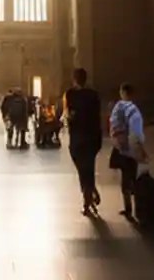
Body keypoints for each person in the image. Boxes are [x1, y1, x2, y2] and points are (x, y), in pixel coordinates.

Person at [64, 68, 103, 216]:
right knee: (88, 168)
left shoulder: (70, 94)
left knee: (82, 169)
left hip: (77, 138)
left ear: (74, 79)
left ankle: (88, 199)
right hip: (92, 137)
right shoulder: (93, 95)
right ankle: (90, 189)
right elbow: (97, 117)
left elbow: (70, 114)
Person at [109, 83, 146, 221]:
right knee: (132, 177)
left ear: (123, 93)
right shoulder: (134, 110)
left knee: (126, 180)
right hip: (132, 148)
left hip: (124, 148)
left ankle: (129, 208)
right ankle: (136, 208)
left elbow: (115, 127)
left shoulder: (121, 108)